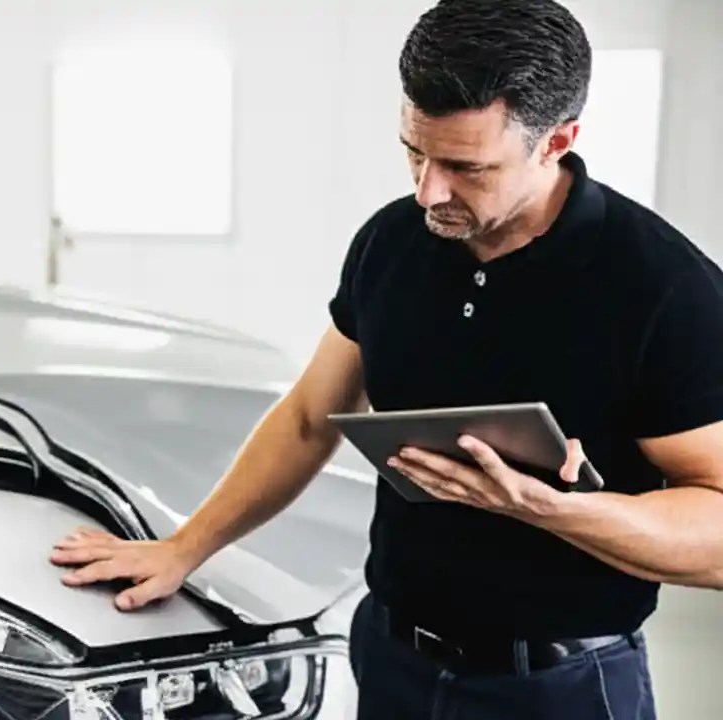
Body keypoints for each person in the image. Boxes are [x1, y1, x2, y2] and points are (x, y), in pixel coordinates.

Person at [48, 0, 723, 717]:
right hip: (393, 658)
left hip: (561, 687)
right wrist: (184, 547)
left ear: (558, 141)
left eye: (466, 167)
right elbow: (311, 418)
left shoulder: (663, 287)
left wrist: (547, 510)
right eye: (414, 151)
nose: (428, 190)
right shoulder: (392, 241)